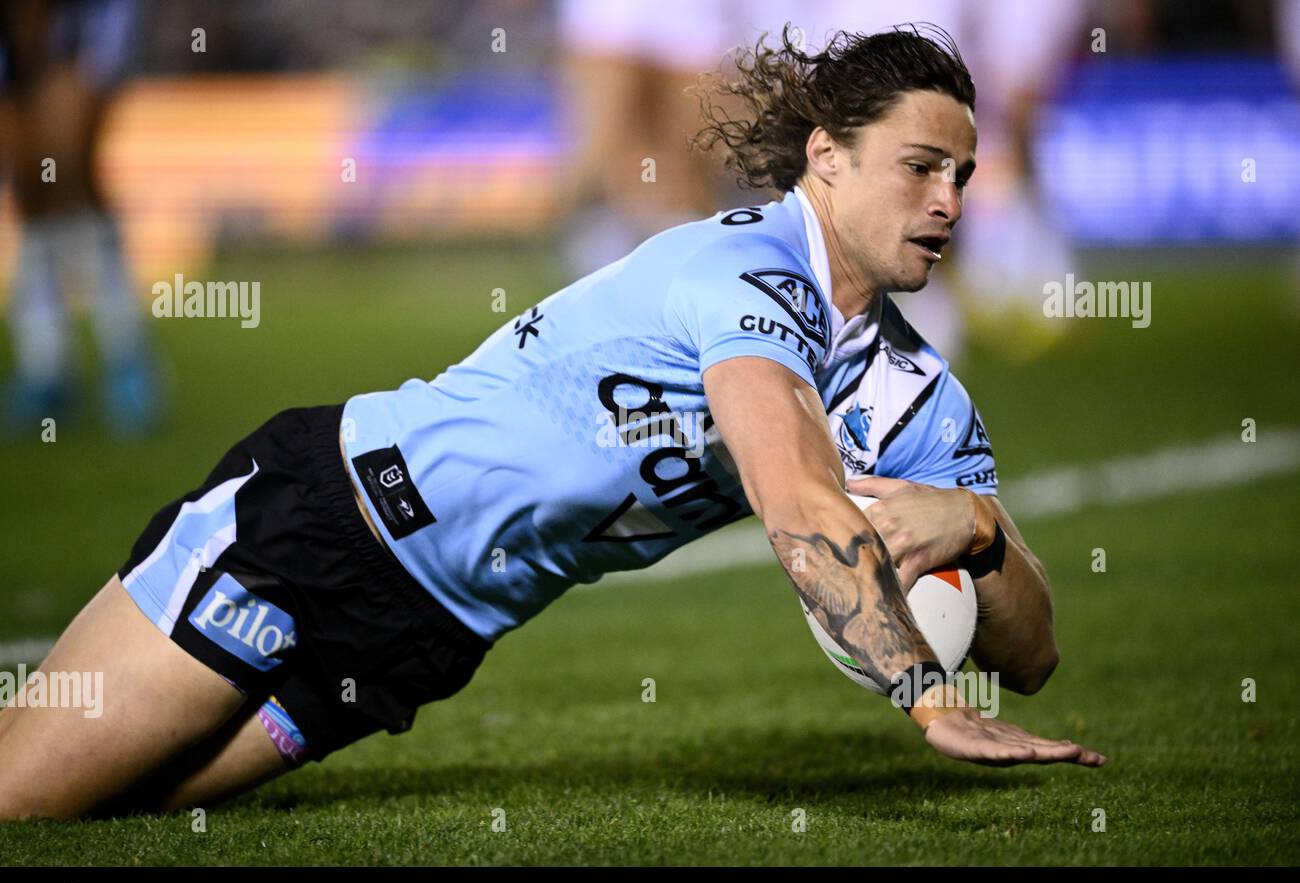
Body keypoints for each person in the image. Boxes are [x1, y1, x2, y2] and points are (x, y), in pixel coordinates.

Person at [0, 24, 1104, 822]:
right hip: (326, 520)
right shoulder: (745, 272)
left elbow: (1036, 648)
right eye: (919, 168)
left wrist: (977, 526)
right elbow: (796, 496)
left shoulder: (914, 389)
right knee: (23, 799)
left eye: (961, 174)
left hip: (433, 633)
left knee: (116, 816)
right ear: (827, 157)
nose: (950, 202)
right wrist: (926, 695)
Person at [0, 0, 163, 437]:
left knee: (70, 169)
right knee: (31, 188)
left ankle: (126, 360)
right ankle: (46, 367)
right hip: (17, 39)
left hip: (83, 25)